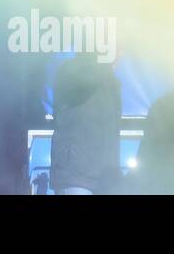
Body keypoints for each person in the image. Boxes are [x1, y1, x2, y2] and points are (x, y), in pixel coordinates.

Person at [50, 54, 122, 195]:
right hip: (77, 177)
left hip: (100, 180)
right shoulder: (72, 72)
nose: (120, 54)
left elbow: (112, 134)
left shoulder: (111, 83)